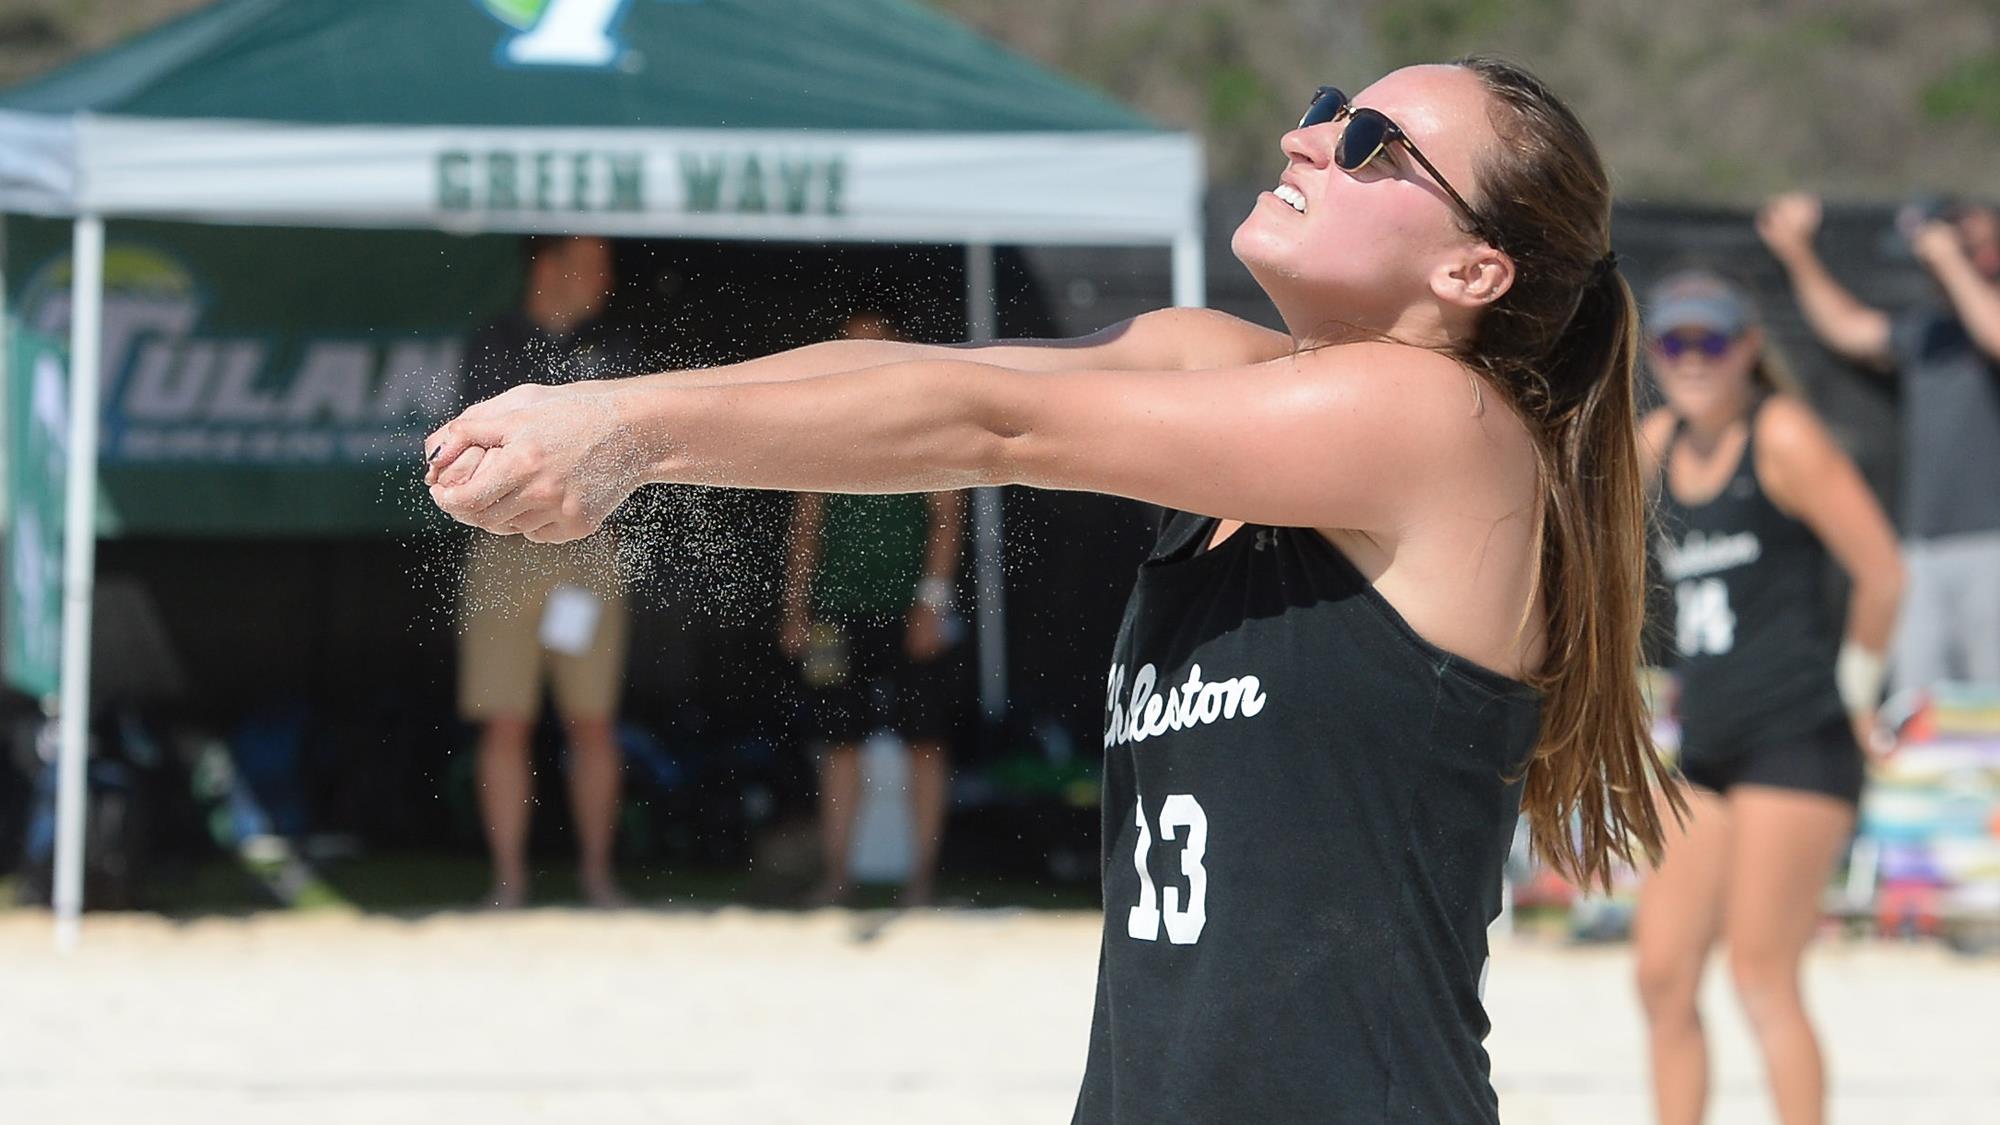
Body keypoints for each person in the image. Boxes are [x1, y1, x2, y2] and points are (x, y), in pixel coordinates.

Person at [426, 57, 1676, 1121]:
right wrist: (598, 415)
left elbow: (998, 427)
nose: (1306, 135)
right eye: (1325, 107)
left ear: (1471, 272)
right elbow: (912, 372)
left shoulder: (1439, 419)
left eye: (1368, 144)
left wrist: (631, 433)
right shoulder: (1224, 367)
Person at [1631, 270, 1904, 1125]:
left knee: (1761, 974)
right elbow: (1589, 558)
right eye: (1675, 342)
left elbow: (1882, 572)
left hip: (1797, 736)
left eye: (1712, 341)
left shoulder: (1780, 436)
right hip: (1707, 740)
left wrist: (1860, 691)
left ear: (1749, 350)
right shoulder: (1656, 443)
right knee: (1661, 973)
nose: (1693, 359)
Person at [1757, 193, 2000, 694]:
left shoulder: (1984, 319)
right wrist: (1797, 253)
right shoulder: (1929, 333)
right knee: (1916, 707)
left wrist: (1952, 259)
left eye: (1969, 231)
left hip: (1991, 547)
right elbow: (1846, 329)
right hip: (1921, 550)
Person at [456, 234, 635, 909]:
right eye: (593, 266)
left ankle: (596, 876)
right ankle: (508, 880)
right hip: (506, 552)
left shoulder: (616, 353)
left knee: (592, 720)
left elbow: (625, 453)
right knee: (505, 720)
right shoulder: (491, 344)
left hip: (585, 554)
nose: (604, 281)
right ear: (548, 268)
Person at [780, 311, 966, 907]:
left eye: (873, 349)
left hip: (909, 609)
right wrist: (795, 608)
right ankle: (838, 876)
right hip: (837, 610)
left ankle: (920, 883)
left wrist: (931, 602)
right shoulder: (818, 427)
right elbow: (806, 525)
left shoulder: (924, 423)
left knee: (925, 740)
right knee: (838, 741)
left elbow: (947, 517)